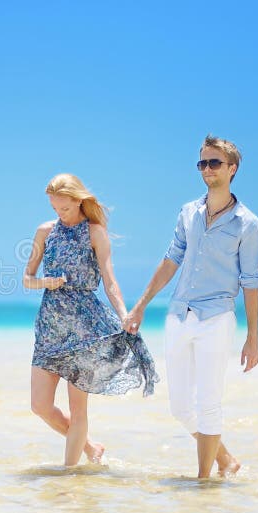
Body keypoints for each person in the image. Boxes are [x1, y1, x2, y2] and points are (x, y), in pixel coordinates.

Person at [122, 135, 258, 479]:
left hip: (216, 317)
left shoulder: (248, 224)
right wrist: (140, 305)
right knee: (180, 407)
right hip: (178, 314)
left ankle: (203, 483)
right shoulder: (189, 212)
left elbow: (251, 281)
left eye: (214, 163)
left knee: (209, 402)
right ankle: (225, 459)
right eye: (202, 162)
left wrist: (253, 337)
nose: (207, 169)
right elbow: (172, 259)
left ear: (232, 169)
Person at [24, 173, 159, 467]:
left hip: (86, 328)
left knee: (78, 409)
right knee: (40, 406)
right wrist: (47, 282)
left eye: (66, 209)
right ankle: (90, 448)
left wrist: (125, 314)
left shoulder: (96, 232)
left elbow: (110, 281)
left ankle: (70, 478)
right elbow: (26, 279)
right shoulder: (44, 232)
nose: (60, 214)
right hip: (50, 326)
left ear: (79, 201)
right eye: (55, 208)